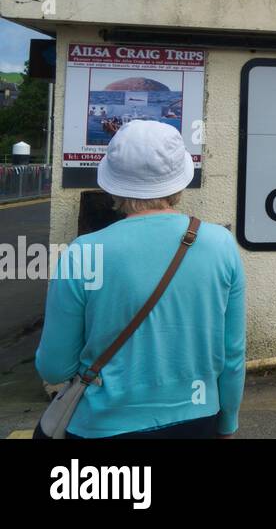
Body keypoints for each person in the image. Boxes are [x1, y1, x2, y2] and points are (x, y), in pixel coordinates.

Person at [35, 120, 245, 438]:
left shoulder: (82, 252)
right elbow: (232, 354)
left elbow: (54, 366)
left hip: (103, 425)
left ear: (112, 183)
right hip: (198, 419)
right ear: (179, 181)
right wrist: (228, 421)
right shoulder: (220, 244)